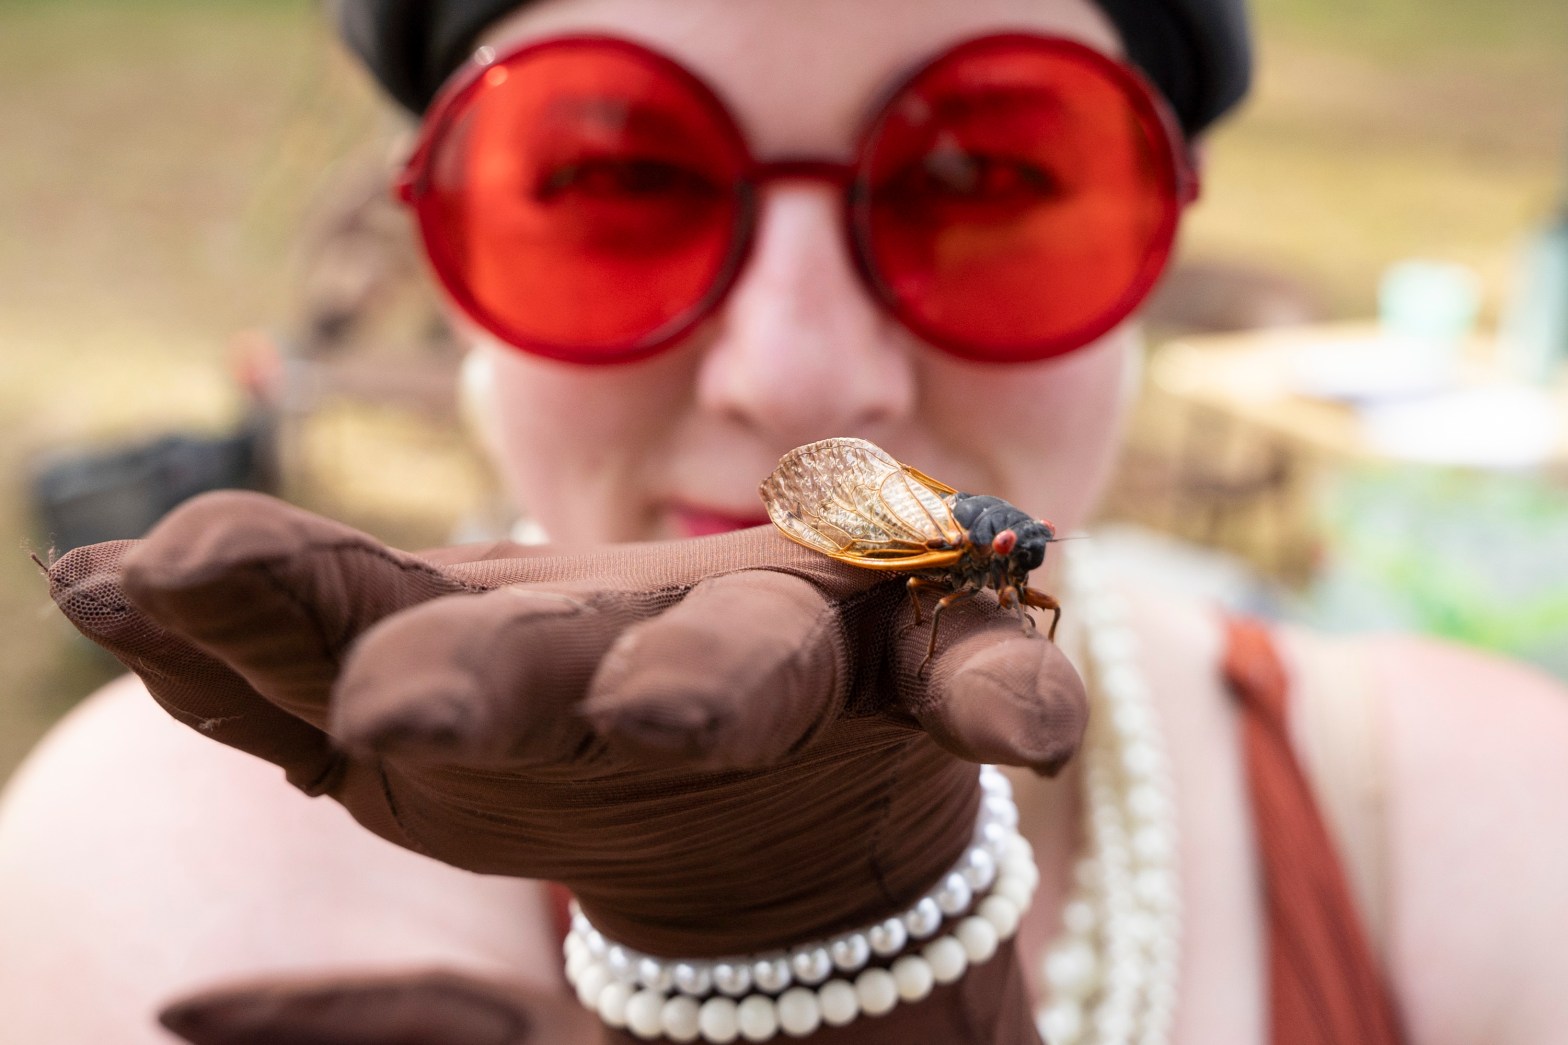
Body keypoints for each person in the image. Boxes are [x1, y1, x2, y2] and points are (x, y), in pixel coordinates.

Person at [3, 0, 1567, 1042]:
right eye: (615, 173)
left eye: (986, 172)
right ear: (443, 239)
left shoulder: (1490, 828)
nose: (800, 368)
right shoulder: (159, 855)